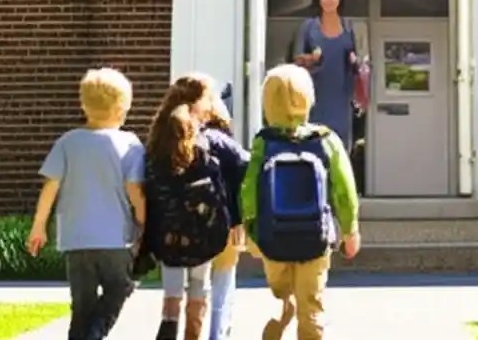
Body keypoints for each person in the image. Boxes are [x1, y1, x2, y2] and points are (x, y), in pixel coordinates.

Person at [242, 64, 360, 340]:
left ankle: (283, 309)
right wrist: (350, 228)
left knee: (280, 290)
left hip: (273, 237)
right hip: (315, 237)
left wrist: (250, 227)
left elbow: (249, 188)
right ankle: (306, 323)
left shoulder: (263, 142)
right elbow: (345, 188)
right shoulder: (326, 140)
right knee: (312, 307)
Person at [27, 68, 146, 340]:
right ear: (122, 108)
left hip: (75, 239)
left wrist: (38, 226)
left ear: (84, 105)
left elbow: (50, 187)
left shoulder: (68, 142)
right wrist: (144, 223)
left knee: (81, 305)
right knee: (121, 287)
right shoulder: (129, 144)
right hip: (115, 238)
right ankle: (95, 333)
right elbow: (134, 190)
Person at [145, 75, 232, 340]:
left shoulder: (156, 144)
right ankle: (193, 333)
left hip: (168, 231)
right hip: (200, 230)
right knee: (199, 284)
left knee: (172, 285)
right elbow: (226, 175)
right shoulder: (204, 145)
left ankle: (169, 323)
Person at [197, 94, 250, 340]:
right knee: (223, 283)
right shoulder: (220, 139)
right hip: (226, 222)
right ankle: (218, 334)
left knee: (198, 285)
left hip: (192, 224)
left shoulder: (183, 140)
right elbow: (244, 164)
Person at [289, 0, 359, 146]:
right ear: (318, 0)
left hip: (341, 99)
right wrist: (311, 59)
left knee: (340, 147)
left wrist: (355, 61)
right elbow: (295, 61)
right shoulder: (308, 27)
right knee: (315, 145)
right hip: (314, 99)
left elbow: (358, 63)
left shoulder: (348, 27)